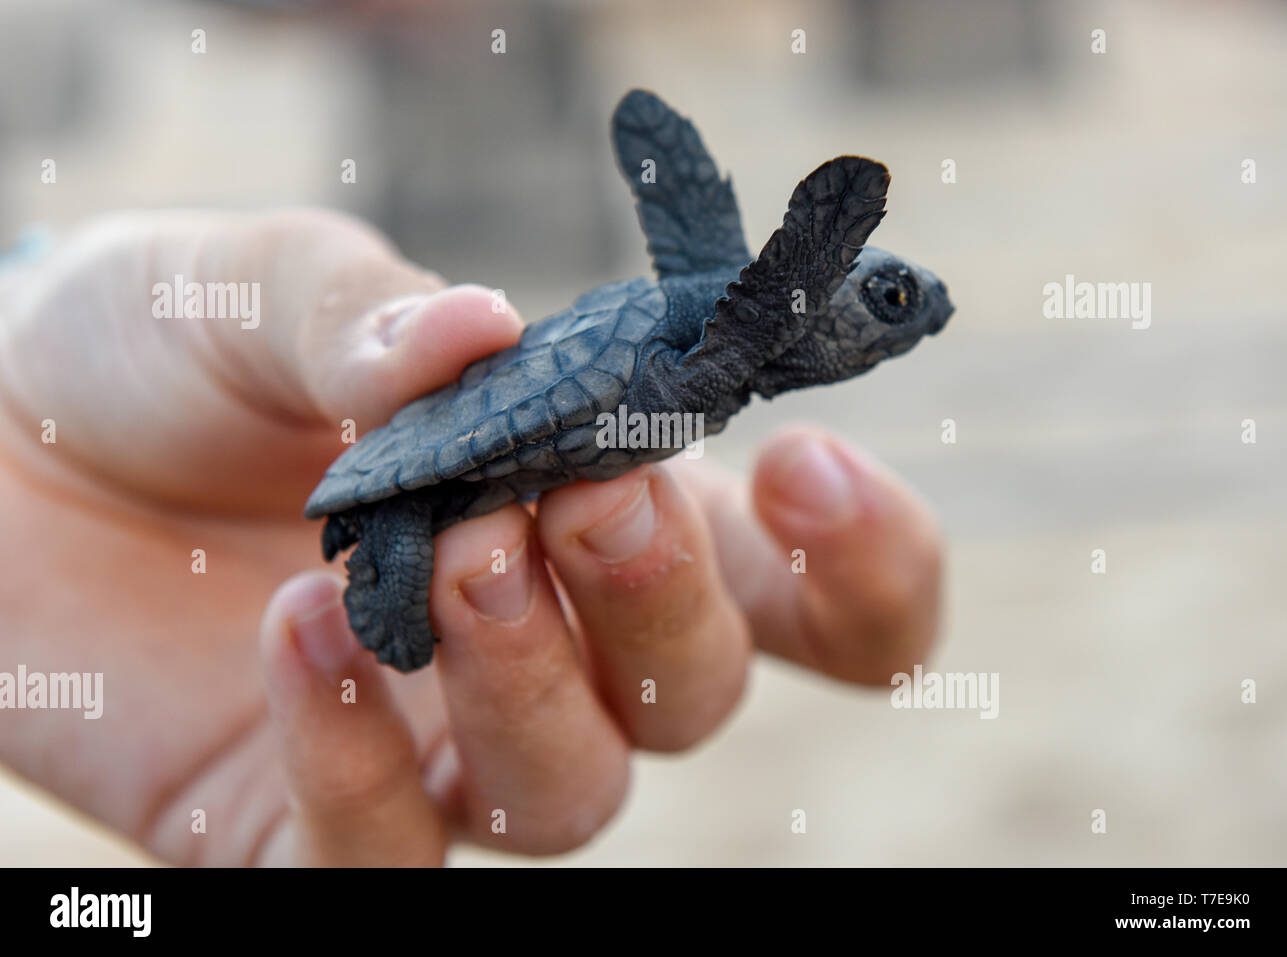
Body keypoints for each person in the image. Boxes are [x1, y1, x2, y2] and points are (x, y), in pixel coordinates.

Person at [0, 209, 942, 865]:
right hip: (474, 438)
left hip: (511, 444)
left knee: (485, 553)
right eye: (891, 300)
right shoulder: (734, 330)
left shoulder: (732, 353)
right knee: (422, 565)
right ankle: (386, 542)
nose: (907, 317)